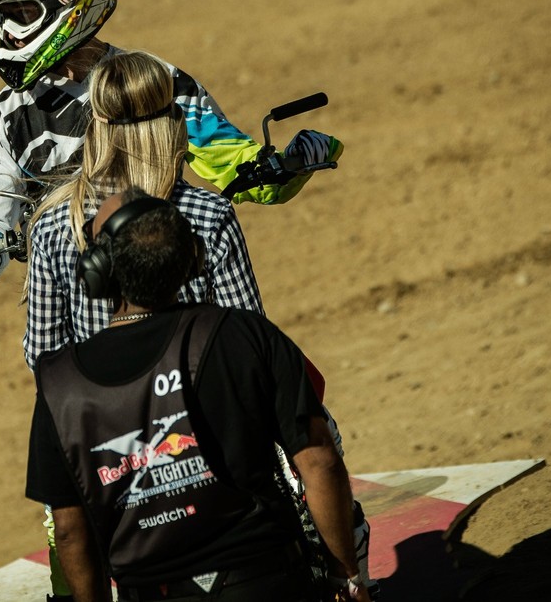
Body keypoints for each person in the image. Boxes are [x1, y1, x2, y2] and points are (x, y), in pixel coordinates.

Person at [0, 0, 340, 287]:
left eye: (22, 12)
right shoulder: (6, 118)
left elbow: (239, 169)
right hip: (67, 294)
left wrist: (290, 162)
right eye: (0, 14)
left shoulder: (150, 83)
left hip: (163, 280)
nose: (8, 31)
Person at [27, 189, 371, 602]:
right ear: (191, 259)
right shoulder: (244, 335)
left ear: (100, 270)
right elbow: (320, 461)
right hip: (267, 581)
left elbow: (69, 531)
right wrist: (346, 577)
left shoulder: (60, 383)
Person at [23, 49, 263, 370]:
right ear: (173, 122)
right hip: (196, 395)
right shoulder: (209, 215)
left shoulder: (54, 224)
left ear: (95, 125)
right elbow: (250, 340)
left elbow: (43, 357)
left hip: (98, 398)